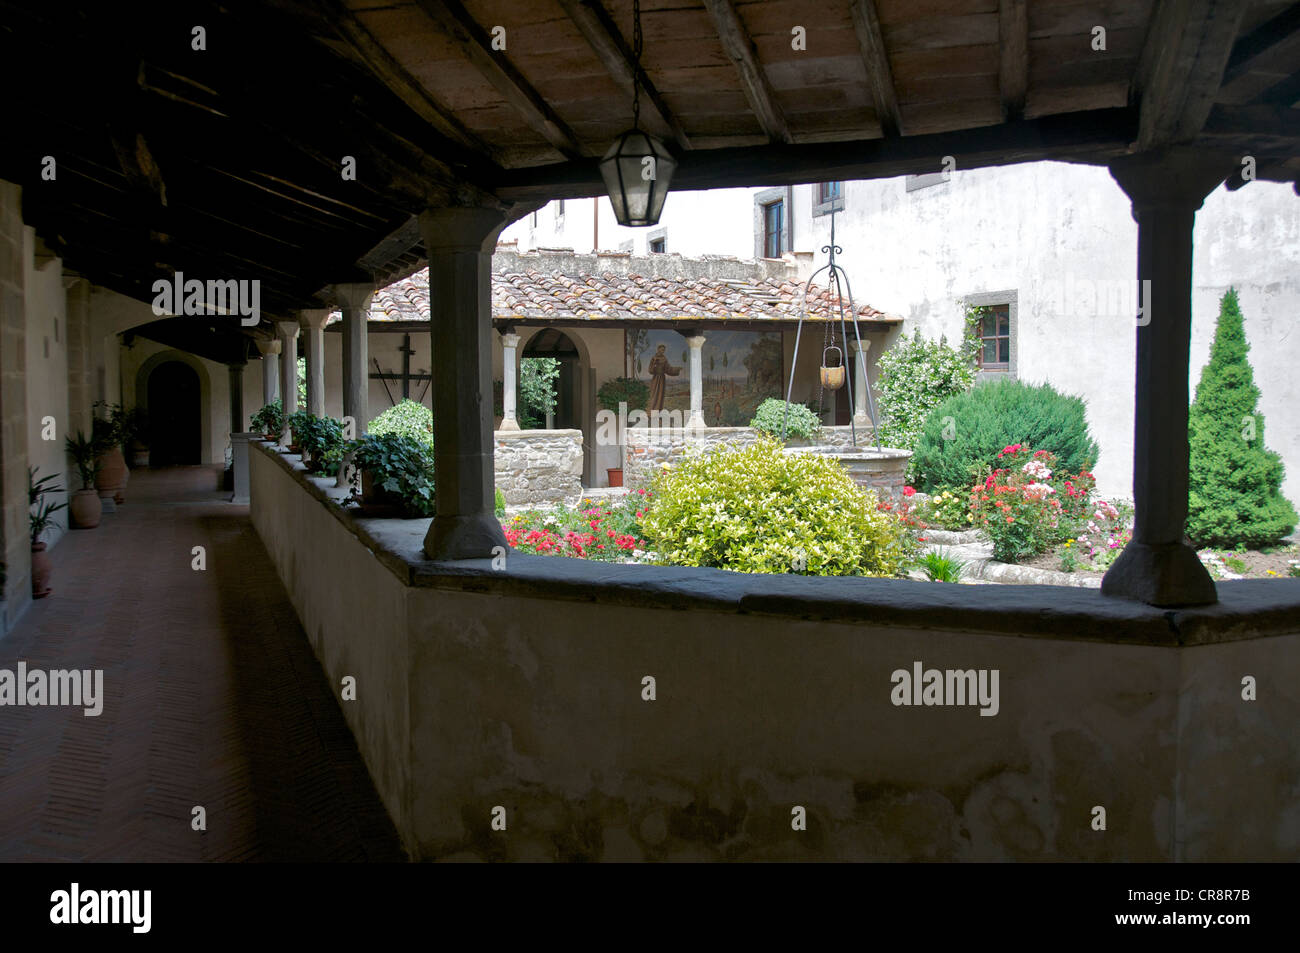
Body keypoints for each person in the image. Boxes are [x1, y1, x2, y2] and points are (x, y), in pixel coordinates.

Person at [647, 344, 680, 412]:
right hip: (656, 378)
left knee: (660, 395)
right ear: (658, 349)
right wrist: (654, 364)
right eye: (662, 349)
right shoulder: (653, 358)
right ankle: (652, 410)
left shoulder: (664, 359)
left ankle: (658, 411)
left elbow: (668, 369)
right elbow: (650, 370)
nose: (663, 351)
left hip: (662, 379)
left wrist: (677, 369)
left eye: (664, 350)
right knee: (654, 394)